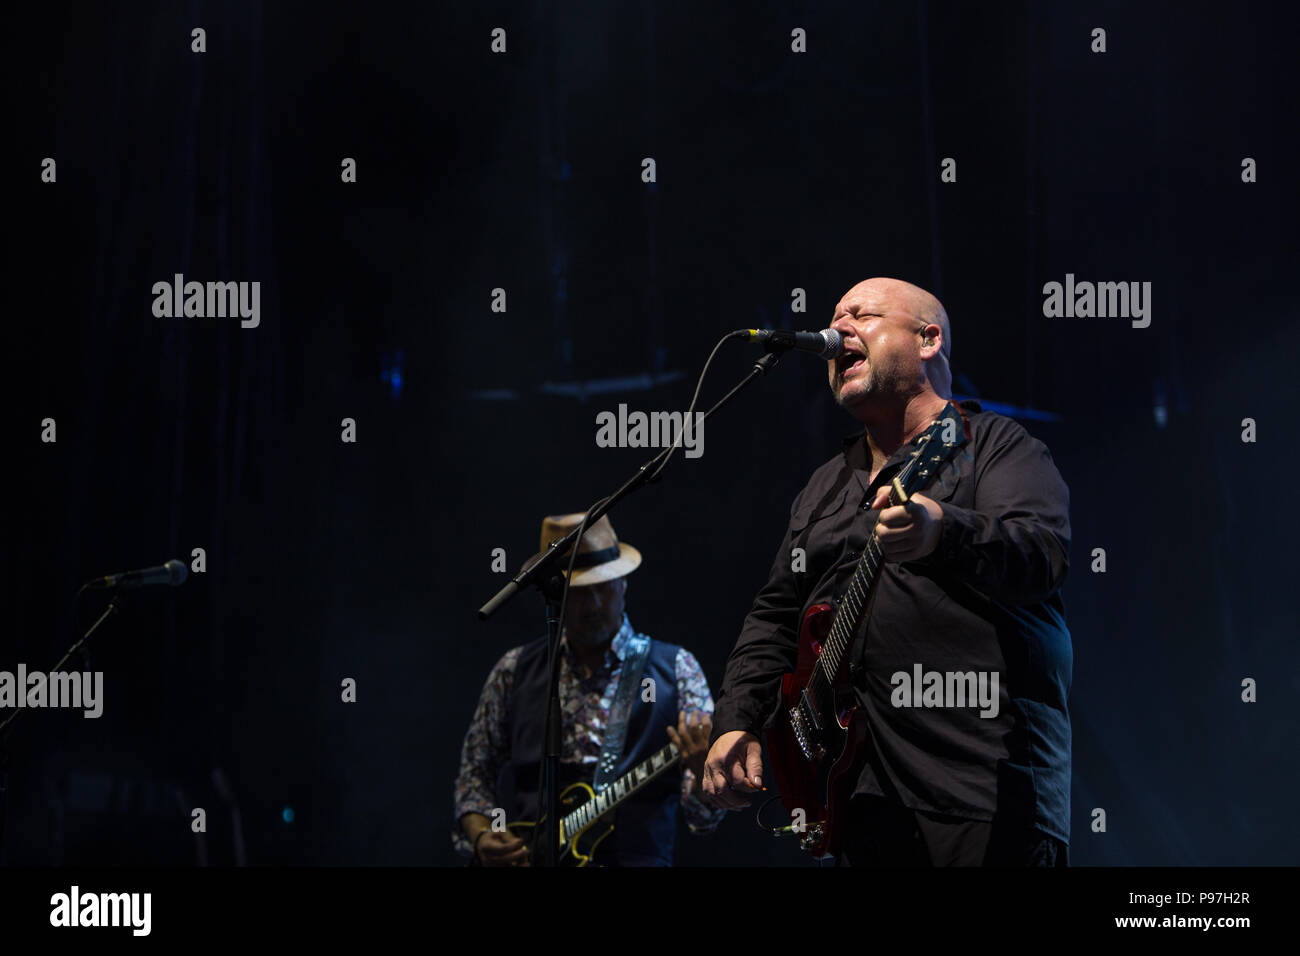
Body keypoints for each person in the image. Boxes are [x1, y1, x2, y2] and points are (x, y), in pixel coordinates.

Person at [702, 277, 1072, 866]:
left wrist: (941, 530)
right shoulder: (824, 486)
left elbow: (1043, 556)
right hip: (856, 800)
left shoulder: (998, 447)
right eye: (833, 317)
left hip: (977, 789)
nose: (837, 329)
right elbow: (775, 614)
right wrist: (737, 722)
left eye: (861, 315)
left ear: (928, 339)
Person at [454, 513, 725, 866]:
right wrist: (481, 835)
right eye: (579, 591)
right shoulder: (513, 670)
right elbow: (474, 773)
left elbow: (702, 820)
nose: (593, 605)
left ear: (624, 583)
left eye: (603, 586)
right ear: (554, 594)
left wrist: (705, 772)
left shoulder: (677, 668)